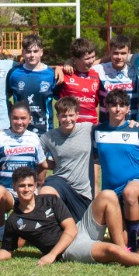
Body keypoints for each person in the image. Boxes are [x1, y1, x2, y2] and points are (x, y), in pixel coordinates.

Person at [0, 167, 139, 271]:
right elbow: (7, 250)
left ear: (36, 185)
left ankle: (124, 249)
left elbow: (70, 229)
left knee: (108, 195)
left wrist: (51, 255)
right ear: (14, 187)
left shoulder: (49, 200)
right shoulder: (14, 219)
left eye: (30, 185)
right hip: (69, 249)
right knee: (109, 250)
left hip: (78, 231)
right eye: (22, 186)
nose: (26, 189)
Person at [92, 90, 139, 248]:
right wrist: (96, 188)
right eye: (114, 105)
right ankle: (131, 234)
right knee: (119, 242)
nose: (118, 109)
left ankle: (134, 242)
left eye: (122, 105)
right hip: (110, 189)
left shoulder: (137, 131)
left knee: (129, 193)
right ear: (106, 107)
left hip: (135, 182)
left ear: (128, 109)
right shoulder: (98, 131)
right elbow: (96, 160)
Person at [0, 103, 49, 228]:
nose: (19, 122)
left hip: (28, 192)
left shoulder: (34, 138)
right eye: (15, 118)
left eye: (23, 118)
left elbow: (42, 164)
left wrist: (39, 184)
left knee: (23, 238)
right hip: (8, 192)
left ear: (30, 119)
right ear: (10, 118)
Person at [40, 94, 95, 223]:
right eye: (63, 116)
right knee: (46, 192)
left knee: (79, 228)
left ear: (77, 115)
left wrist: (130, 122)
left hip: (83, 193)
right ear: (58, 116)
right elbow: (36, 157)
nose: (67, 119)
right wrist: (51, 164)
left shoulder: (89, 129)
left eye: (71, 115)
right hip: (60, 183)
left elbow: (109, 129)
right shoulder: (49, 137)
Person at [7, 34, 56, 135]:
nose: (32, 55)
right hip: (20, 129)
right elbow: (4, 99)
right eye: (28, 51)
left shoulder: (51, 74)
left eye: (35, 51)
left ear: (41, 52)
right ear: (23, 53)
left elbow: (62, 102)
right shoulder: (14, 74)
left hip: (45, 131)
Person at [55, 38, 103, 130]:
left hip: (90, 127)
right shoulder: (64, 73)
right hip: (68, 126)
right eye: (87, 58)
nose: (92, 61)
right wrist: (58, 67)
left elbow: (107, 59)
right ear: (75, 59)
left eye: (93, 57)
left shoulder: (97, 74)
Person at [94, 35, 139, 118]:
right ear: (110, 52)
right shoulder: (100, 69)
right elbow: (82, 66)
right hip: (106, 126)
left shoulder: (136, 70)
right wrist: (70, 62)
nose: (119, 57)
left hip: (131, 126)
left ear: (129, 53)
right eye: (115, 53)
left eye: (123, 53)